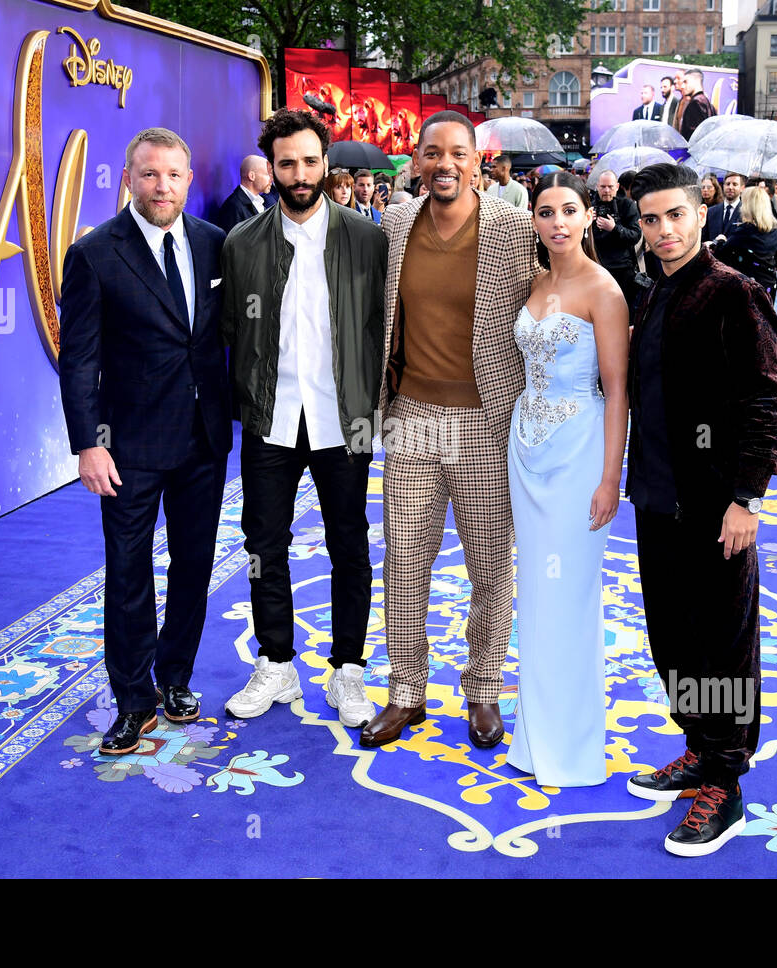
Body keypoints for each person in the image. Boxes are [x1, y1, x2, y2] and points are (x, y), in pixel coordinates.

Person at [624, 163, 777, 856]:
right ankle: (699, 746)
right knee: (674, 636)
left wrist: (746, 498)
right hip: (657, 496)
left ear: (701, 215)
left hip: (717, 502)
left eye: (675, 215)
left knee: (723, 642)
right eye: (651, 219)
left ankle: (725, 779)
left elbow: (768, 400)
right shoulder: (655, 292)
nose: (664, 230)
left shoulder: (733, 292)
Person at [360, 111, 539, 750]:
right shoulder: (396, 222)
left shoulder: (514, 228)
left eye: (458, 153)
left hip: (487, 419)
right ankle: (406, 691)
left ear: (477, 162)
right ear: (417, 160)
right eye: (433, 152)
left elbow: (553, 303)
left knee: (490, 564)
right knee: (405, 559)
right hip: (410, 417)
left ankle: (483, 686)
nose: (445, 164)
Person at [58, 127, 231, 754]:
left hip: (203, 439)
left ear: (189, 180)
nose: (162, 186)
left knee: (194, 564)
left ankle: (175, 677)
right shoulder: (94, 253)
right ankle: (133, 700)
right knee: (129, 572)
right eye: (150, 173)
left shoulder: (213, 243)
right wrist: (88, 442)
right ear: (128, 177)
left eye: (174, 175)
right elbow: (79, 359)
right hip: (126, 445)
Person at [220, 109, 387, 727]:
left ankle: (349, 670)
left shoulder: (367, 239)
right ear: (271, 169)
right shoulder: (242, 244)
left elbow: (381, 328)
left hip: (344, 419)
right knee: (264, 544)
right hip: (271, 419)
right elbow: (232, 330)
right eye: (286, 163)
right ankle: (276, 663)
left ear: (326, 164)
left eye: (310, 161)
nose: (299, 174)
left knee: (350, 544)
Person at [505, 172, 629, 787]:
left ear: (587, 217)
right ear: (533, 220)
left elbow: (617, 391)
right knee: (535, 595)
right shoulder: (534, 282)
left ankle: (571, 747)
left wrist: (610, 478)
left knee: (569, 595)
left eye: (569, 210)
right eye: (546, 211)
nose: (557, 222)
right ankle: (534, 737)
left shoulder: (603, 289)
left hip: (579, 454)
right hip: (524, 450)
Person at [712, 185, 777, 298]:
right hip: (769, 285)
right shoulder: (773, 230)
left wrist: (720, 241)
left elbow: (721, 253)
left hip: (749, 289)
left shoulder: (746, 231)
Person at [591, 168, 643, 309]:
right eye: (603, 187)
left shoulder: (627, 205)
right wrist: (586, 223)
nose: (606, 191)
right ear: (597, 186)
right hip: (597, 266)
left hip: (622, 268)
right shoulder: (589, 206)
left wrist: (614, 228)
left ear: (617, 187)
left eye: (610, 186)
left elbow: (635, 235)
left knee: (623, 307)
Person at [215, 154, 273, 234]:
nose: (272, 180)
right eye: (268, 174)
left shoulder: (263, 202)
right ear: (252, 176)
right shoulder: (233, 207)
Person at [703, 172, 744, 243]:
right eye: (727, 184)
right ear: (723, 186)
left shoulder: (747, 213)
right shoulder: (710, 212)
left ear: (742, 188)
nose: (730, 187)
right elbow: (704, 238)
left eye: (735, 184)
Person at [677, 69, 716, 141]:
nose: (682, 86)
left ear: (695, 81)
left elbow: (694, 137)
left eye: (685, 82)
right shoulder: (708, 104)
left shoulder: (695, 104)